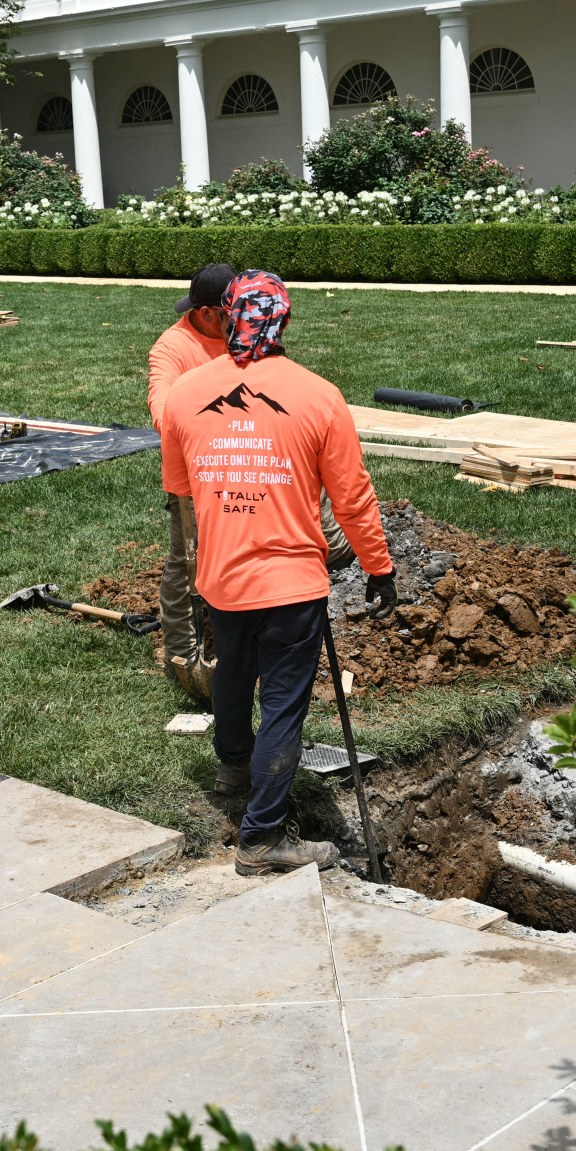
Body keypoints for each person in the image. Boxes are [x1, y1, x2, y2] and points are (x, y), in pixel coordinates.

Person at [160, 270, 397, 874]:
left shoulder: (185, 396)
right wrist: (378, 566)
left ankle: (233, 770)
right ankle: (262, 838)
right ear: (284, 321)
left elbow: (180, 487)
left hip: (223, 577)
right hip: (292, 583)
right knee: (285, 704)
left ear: (227, 316)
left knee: (234, 681)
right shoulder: (319, 395)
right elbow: (352, 497)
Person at [147, 264, 237, 687]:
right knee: (188, 564)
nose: (242, 318)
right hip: (194, 482)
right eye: (232, 311)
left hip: (245, 469)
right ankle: (183, 655)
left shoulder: (245, 335)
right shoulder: (173, 348)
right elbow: (164, 414)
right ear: (206, 313)